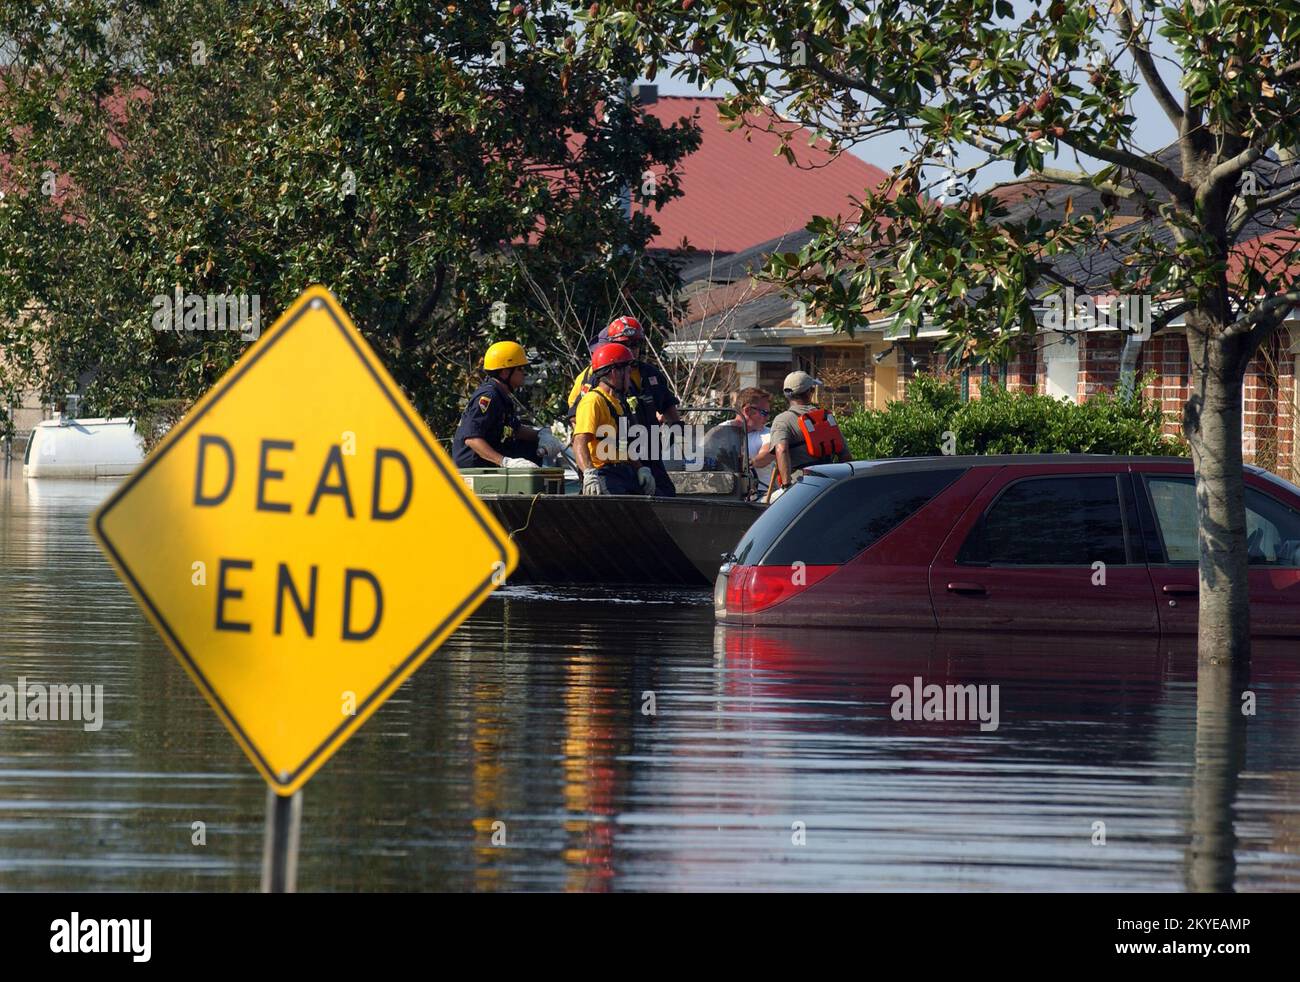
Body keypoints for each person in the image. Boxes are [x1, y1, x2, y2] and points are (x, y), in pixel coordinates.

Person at [566, 315, 681, 496]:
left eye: (635, 344)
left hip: (642, 452)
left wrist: (675, 436)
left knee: (665, 496)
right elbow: (579, 425)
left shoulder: (650, 374)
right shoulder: (596, 377)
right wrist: (590, 466)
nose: (632, 350)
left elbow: (668, 407)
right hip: (605, 463)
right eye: (626, 345)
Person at [453, 341, 561, 469]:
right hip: (476, 466)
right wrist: (505, 462)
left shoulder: (501, 396)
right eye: (519, 369)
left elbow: (515, 430)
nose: (524, 373)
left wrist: (541, 435)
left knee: (530, 447)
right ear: (505, 372)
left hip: (489, 462)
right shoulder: (489, 397)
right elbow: (472, 438)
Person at [572, 343, 656, 496]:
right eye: (627, 371)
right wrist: (589, 475)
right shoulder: (593, 401)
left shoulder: (618, 403)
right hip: (604, 473)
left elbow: (622, 445)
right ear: (614, 372)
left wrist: (640, 468)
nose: (630, 377)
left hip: (624, 472)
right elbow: (579, 442)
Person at [768, 371, 847, 495]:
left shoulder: (782, 420)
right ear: (811, 392)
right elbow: (844, 453)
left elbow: (781, 449)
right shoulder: (827, 417)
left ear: (786, 395)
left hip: (800, 485)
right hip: (828, 483)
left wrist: (786, 485)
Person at [699, 386, 775, 499]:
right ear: (748, 411)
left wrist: (748, 463)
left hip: (762, 494)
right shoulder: (721, 430)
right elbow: (700, 453)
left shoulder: (768, 434)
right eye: (764, 413)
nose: (768, 417)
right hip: (727, 493)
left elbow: (766, 455)